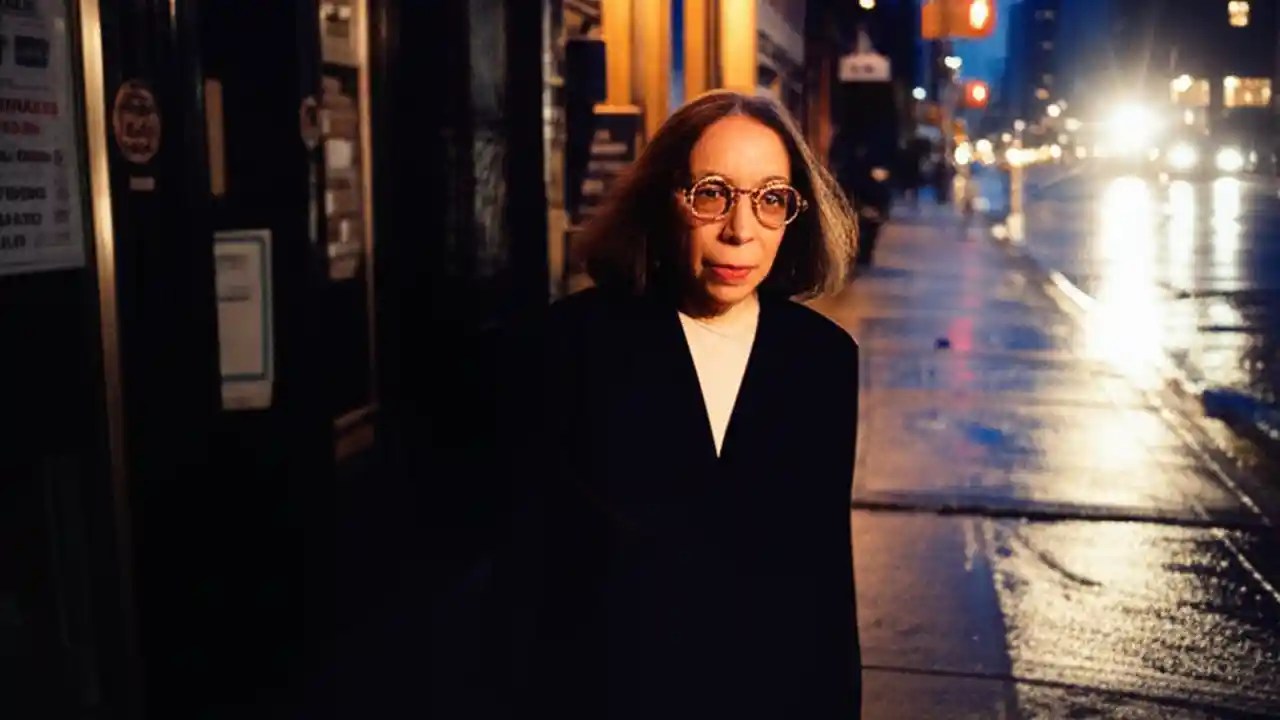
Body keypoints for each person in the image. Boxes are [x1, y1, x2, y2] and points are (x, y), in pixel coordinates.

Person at [494, 90, 862, 719]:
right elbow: (527, 580)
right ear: (663, 199)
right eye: (712, 193)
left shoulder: (822, 360)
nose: (741, 231)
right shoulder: (570, 346)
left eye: (771, 199)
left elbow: (824, 581)